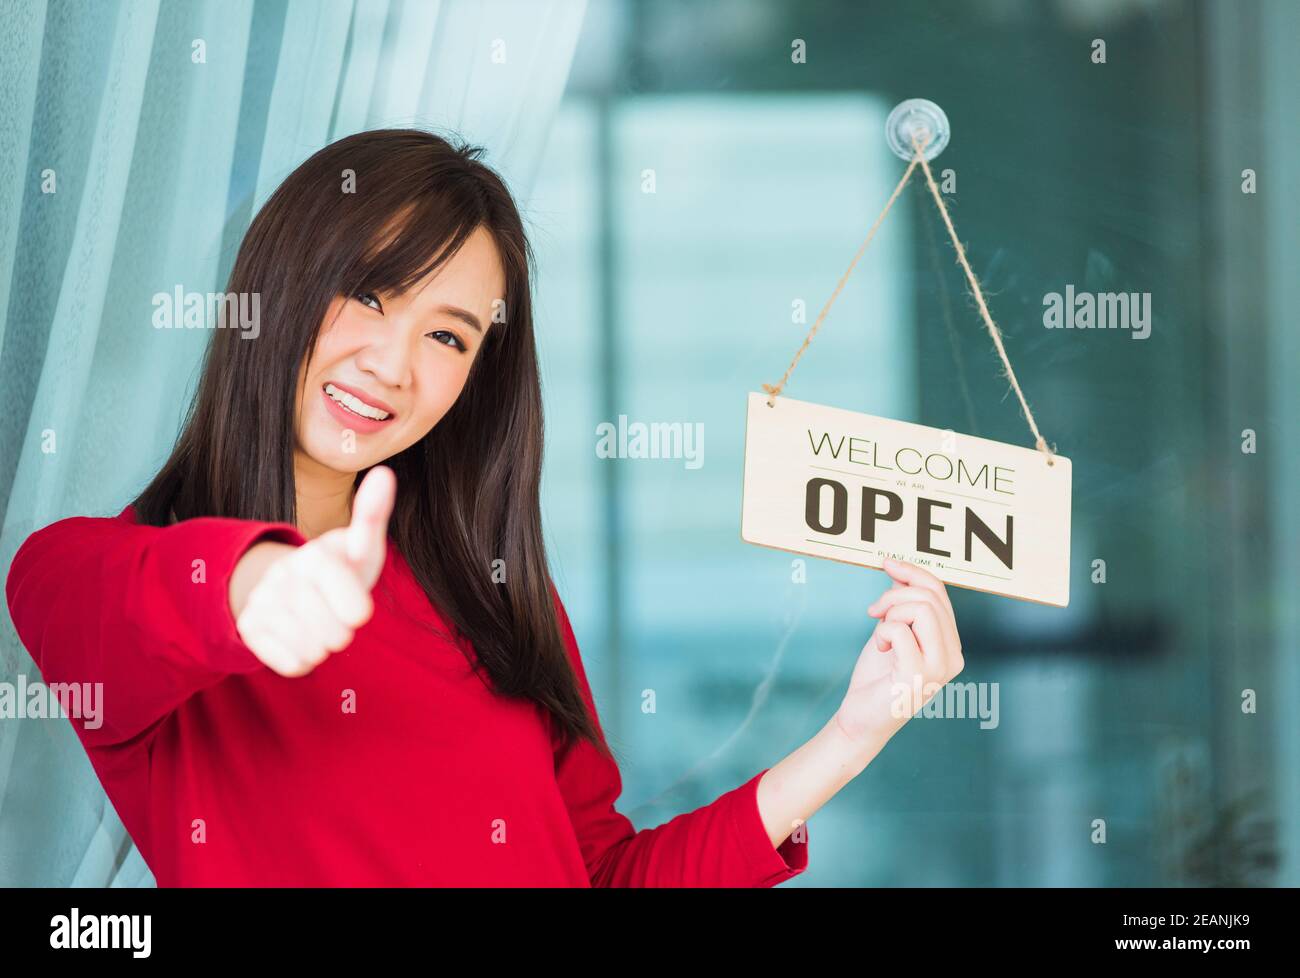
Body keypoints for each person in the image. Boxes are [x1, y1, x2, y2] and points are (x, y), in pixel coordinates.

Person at [5, 128, 963, 887]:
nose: (394, 365)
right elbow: (98, 596)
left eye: (450, 338)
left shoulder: (497, 592)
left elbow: (601, 876)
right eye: (369, 294)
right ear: (277, 282)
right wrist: (259, 582)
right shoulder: (112, 580)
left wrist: (852, 735)